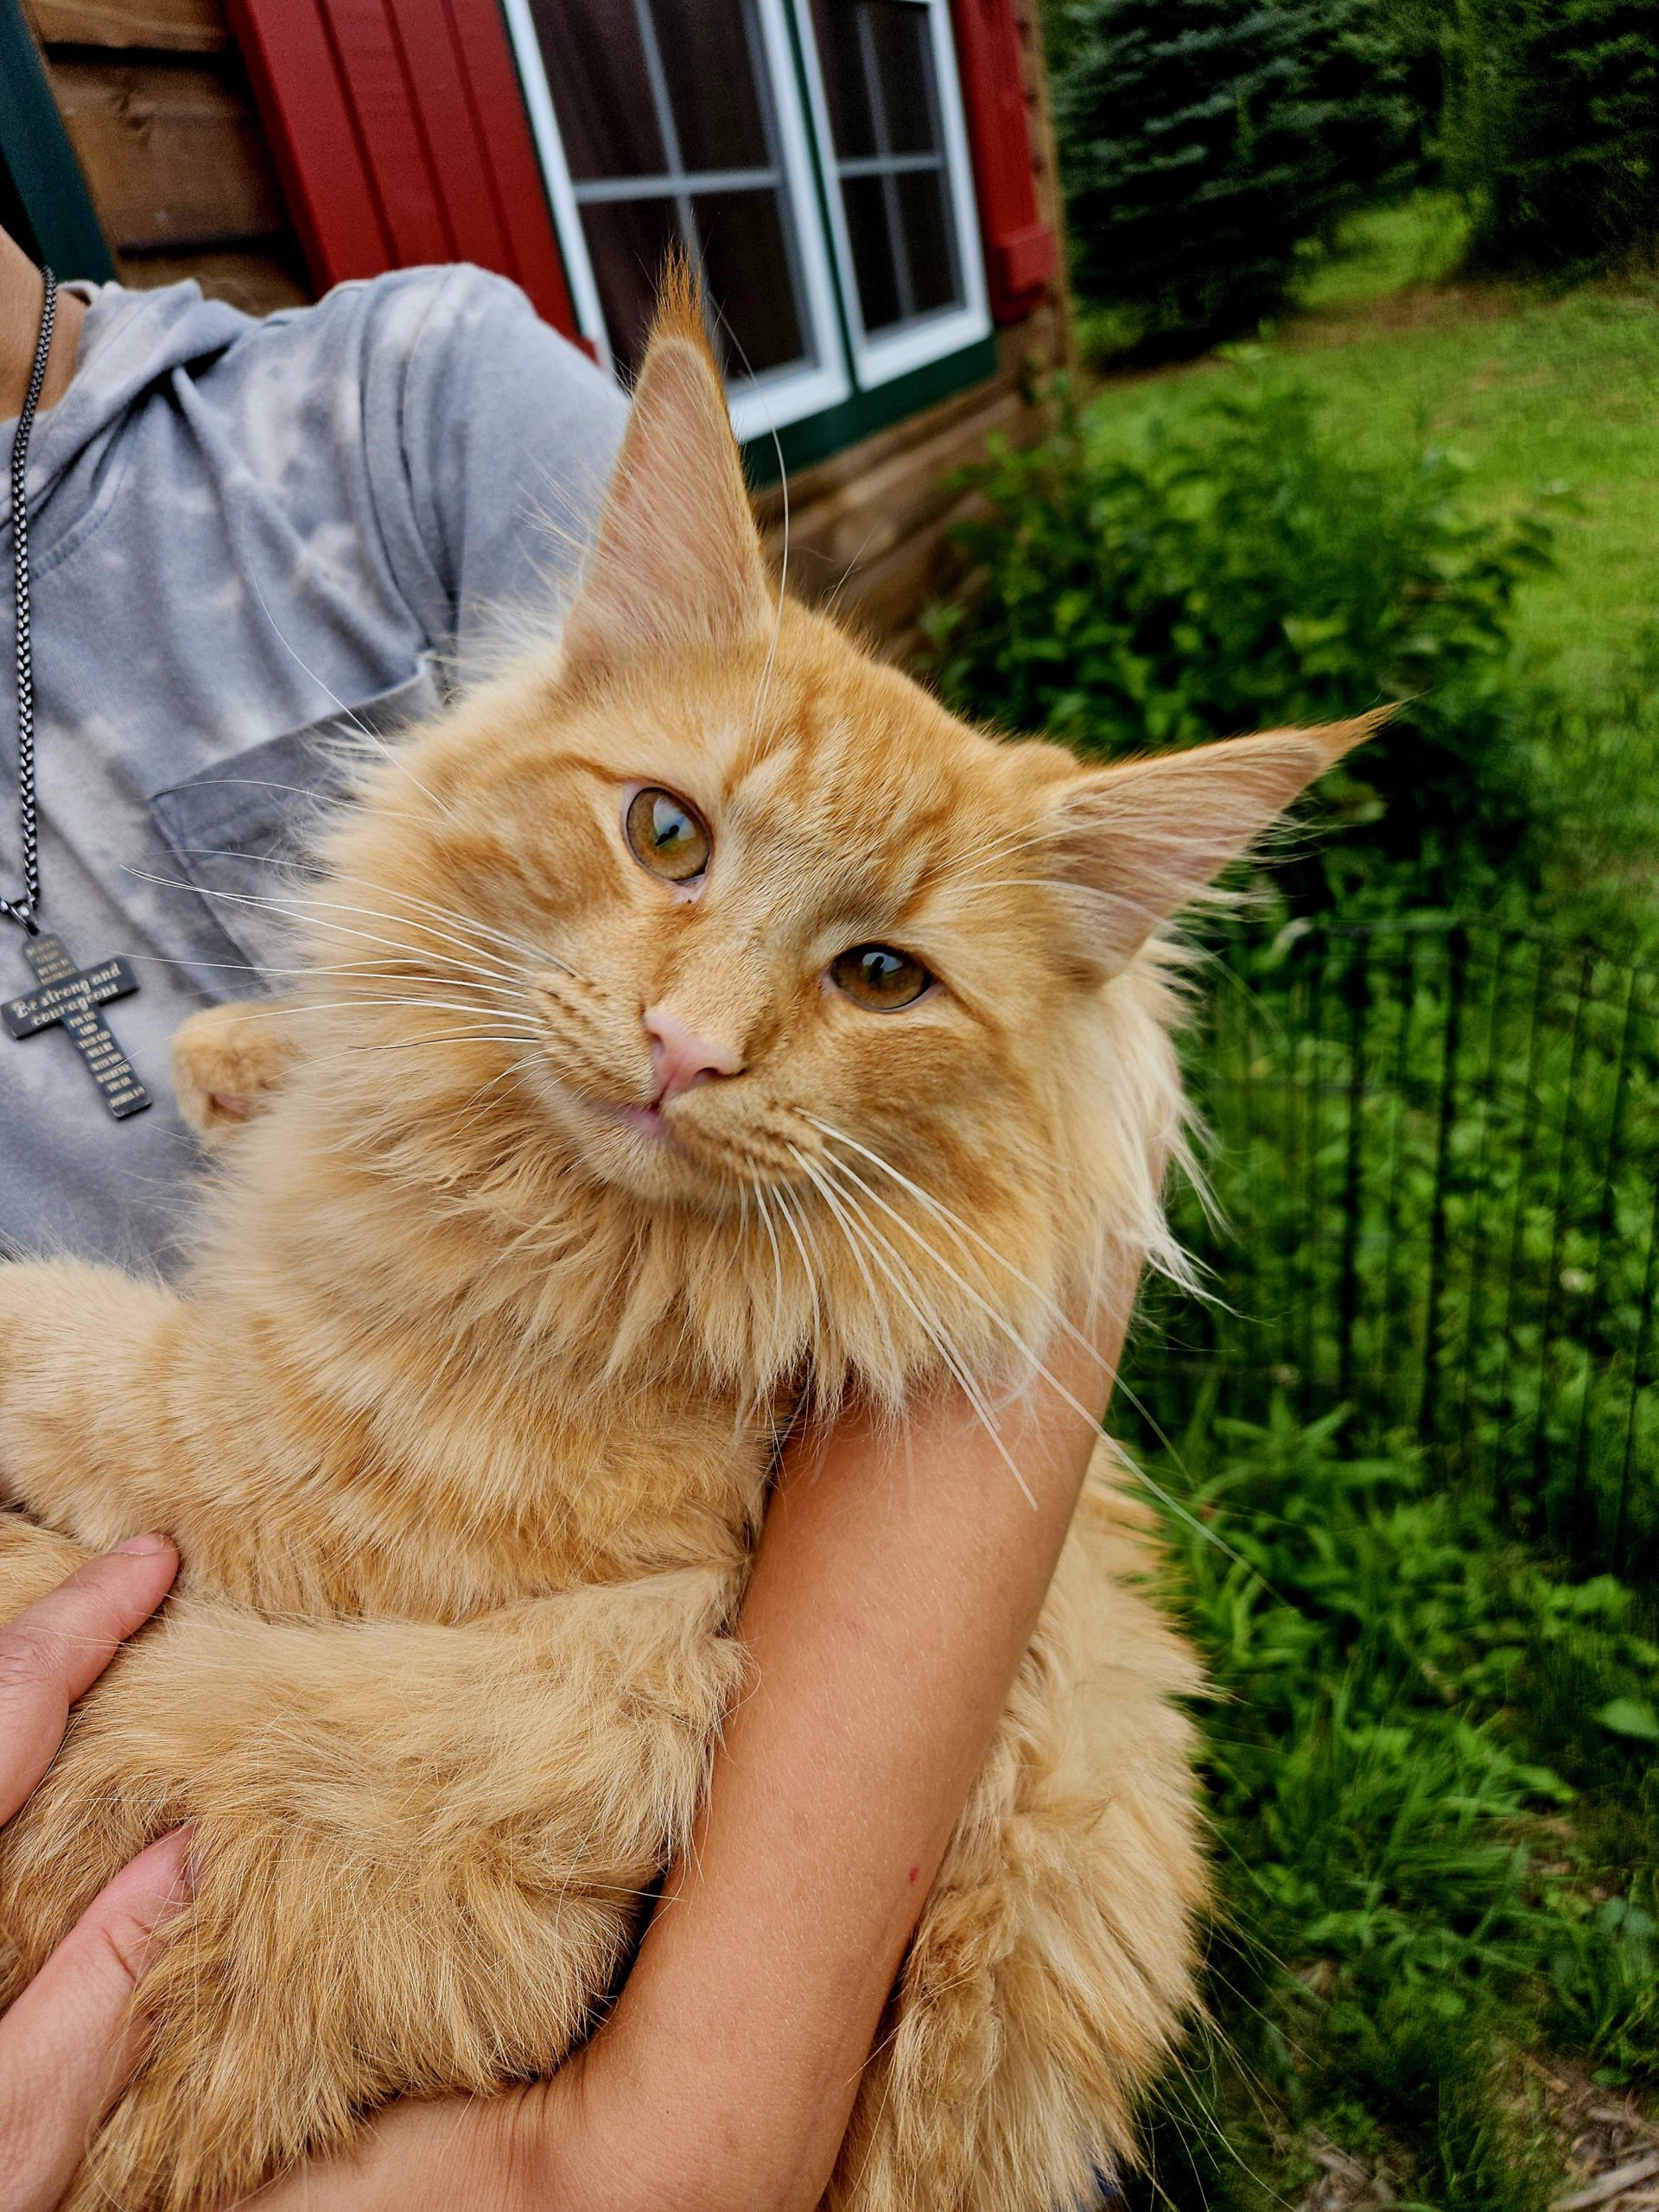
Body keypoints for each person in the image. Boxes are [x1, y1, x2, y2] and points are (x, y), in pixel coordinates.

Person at [0, 232, 1131, 2212]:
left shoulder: (384, 406)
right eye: (674, 839)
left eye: (865, 971)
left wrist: (642, 2146)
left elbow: (1073, 1189)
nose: (697, 1036)